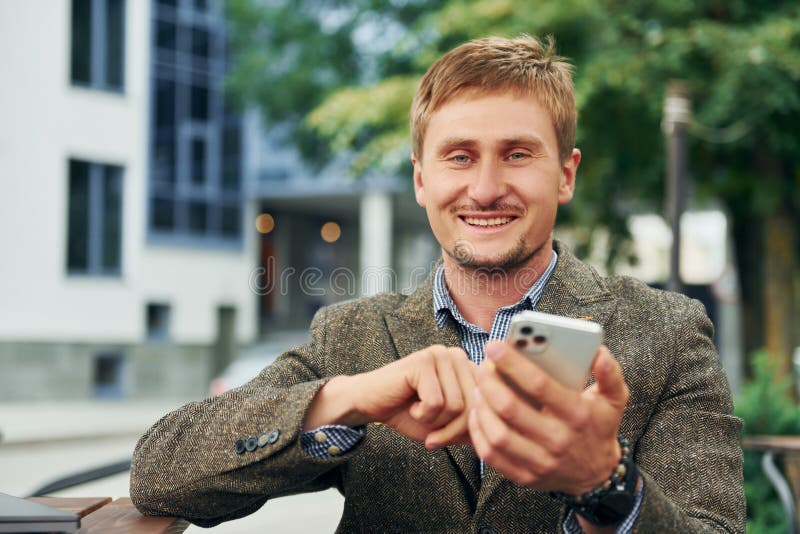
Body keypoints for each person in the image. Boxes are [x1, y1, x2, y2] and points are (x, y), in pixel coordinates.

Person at [130, 35, 744, 533]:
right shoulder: (352, 337)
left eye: (518, 154)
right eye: (459, 157)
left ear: (565, 174)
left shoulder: (667, 332)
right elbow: (160, 473)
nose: (483, 189)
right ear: (421, 181)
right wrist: (348, 398)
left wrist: (604, 484)